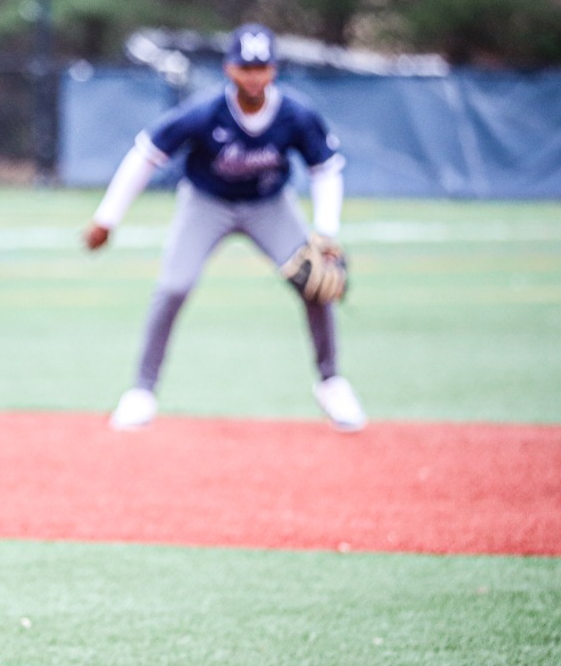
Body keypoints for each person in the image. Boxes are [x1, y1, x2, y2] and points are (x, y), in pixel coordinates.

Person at [83, 22, 366, 432]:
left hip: (269, 205)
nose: (253, 77)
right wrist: (106, 218)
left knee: (314, 282)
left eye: (261, 67)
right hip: (206, 203)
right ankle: (142, 391)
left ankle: (331, 383)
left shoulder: (295, 115)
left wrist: (325, 230)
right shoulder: (204, 112)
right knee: (173, 287)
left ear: (274, 70)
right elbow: (146, 154)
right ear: (228, 69)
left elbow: (325, 169)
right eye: (245, 68)